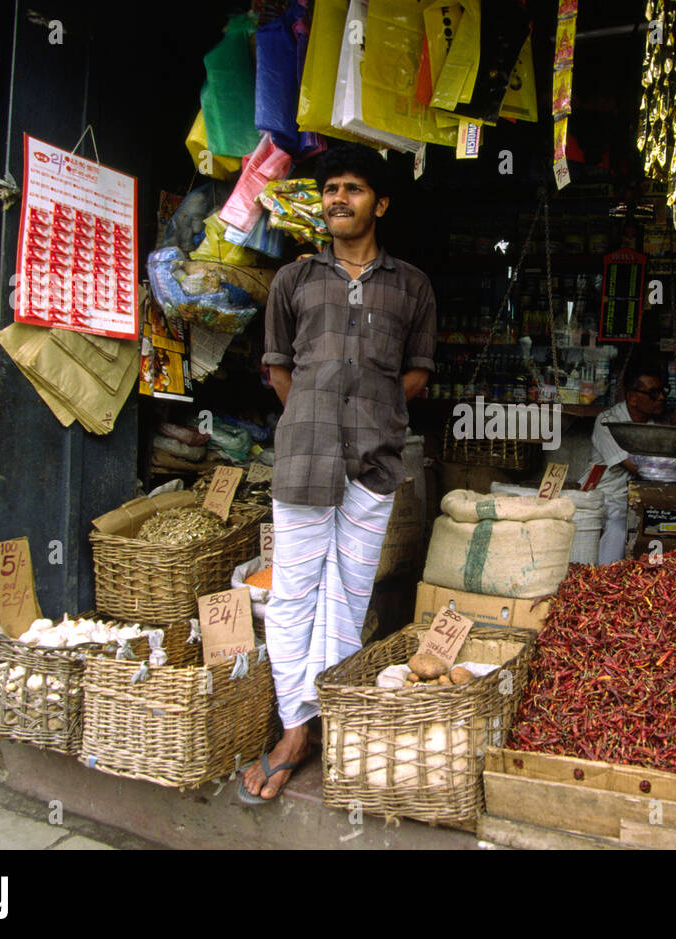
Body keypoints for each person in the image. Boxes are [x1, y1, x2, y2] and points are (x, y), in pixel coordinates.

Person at [243, 144, 436, 803]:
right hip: (303, 454)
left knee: (350, 593)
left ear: (379, 203)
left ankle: (325, 714)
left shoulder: (412, 285)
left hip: (375, 458)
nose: (337, 199)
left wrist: (370, 413)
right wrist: (319, 413)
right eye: (330, 189)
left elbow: (415, 373)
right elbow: (278, 370)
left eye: (352, 188)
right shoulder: (293, 282)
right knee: (294, 593)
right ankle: (296, 726)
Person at [590, 362, 676, 565]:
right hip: (608, 497)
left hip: (640, 496)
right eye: (653, 393)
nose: (661, 397)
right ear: (632, 398)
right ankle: (603, 578)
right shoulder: (608, 421)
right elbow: (644, 470)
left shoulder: (654, 423)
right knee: (618, 528)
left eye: (662, 391)